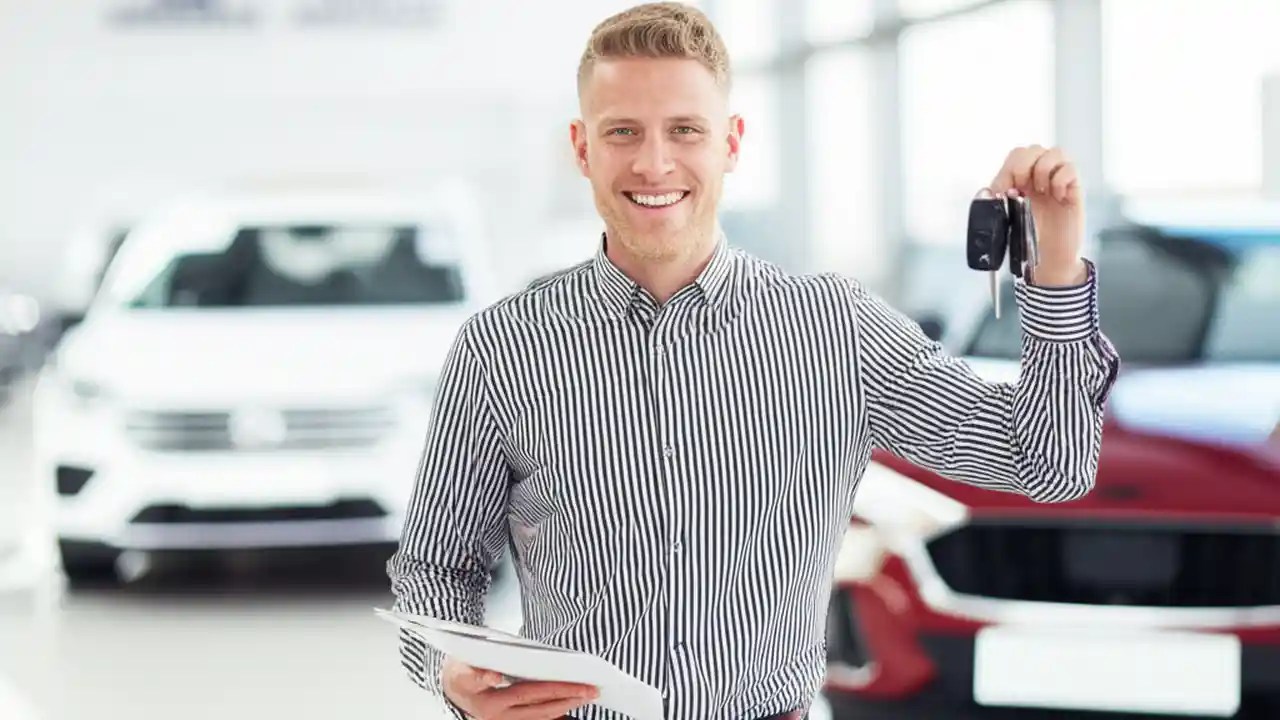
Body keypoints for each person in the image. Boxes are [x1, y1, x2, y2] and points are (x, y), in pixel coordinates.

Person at [386, 3, 1121, 719]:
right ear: (582, 148)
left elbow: (1049, 464)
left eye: (684, 130)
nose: (653, 162)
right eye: (622, 131)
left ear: (731, 143)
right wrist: (450, 671)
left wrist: (1055, 266)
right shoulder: (502, 347)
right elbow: (434, 569)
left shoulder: (836, 329)